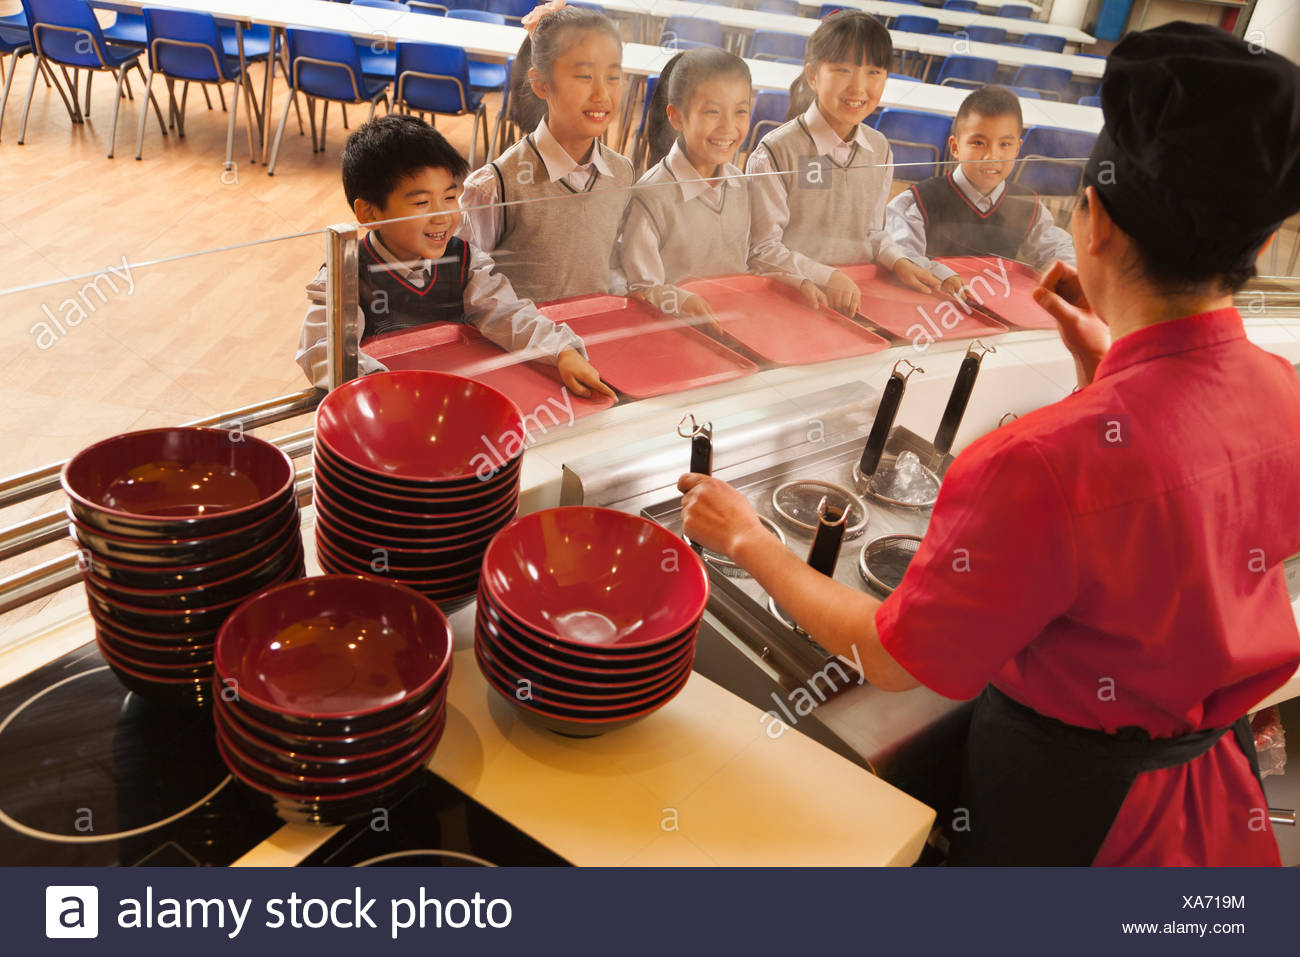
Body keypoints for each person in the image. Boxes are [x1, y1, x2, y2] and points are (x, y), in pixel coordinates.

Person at [679, 22, 1300, 866]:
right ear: (1260, 247)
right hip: (1214, 801)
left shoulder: (1038, 460)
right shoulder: (1286, 392)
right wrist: (1108, 378)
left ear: (1096, 224)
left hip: (1075, 818)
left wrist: (746, 537)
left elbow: (895, 659)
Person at [294, 115, 613, 398]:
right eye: (421, 203)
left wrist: (560, 351)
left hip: (453, 400)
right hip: (384, 413)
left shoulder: (464, 260)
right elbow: (322, 350)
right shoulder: (347, 275)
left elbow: (507, 314)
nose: (442, 216)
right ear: (369, 212)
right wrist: (382, 386)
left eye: (449, 197)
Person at [745, 11, 944, 317]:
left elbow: (873, 233)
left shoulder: (879, 149)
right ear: (813, 75)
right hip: (793, 301)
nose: (858, 88)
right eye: (843, 70)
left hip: (858, 296)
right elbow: (761, 250)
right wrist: (827, 276)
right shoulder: (776, 151)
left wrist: (900, 261)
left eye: (874, 72)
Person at [618, 49, 820, 326]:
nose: (728, 127)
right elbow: (639, 290)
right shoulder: (650, 196)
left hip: (734, 326)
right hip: (672, 333)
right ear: (676, 117)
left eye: (740, 112)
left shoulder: (742, 185)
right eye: (712, 112)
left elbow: (753, 257)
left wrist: (795, 280)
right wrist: (681, 301)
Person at [459, 6, 634, 305]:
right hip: (527, 347)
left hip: (596, 337)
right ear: (540, 83)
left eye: (613, 77)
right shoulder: (494, 185)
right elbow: (470, 285)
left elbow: (612, 262)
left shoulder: (622, 172)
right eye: (584, 76)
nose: (602, 94)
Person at [886, 85, 1075, 299]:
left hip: (1002, 314)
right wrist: (943, 275)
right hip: (931, 305)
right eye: (978, 143)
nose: (991, 156)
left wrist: (1067, 274)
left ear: (1017, 149)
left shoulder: (1027, 205)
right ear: (955, 147)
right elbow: (898, 253)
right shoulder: (917, 201)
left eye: (1004, 144)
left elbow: (1058, 249)